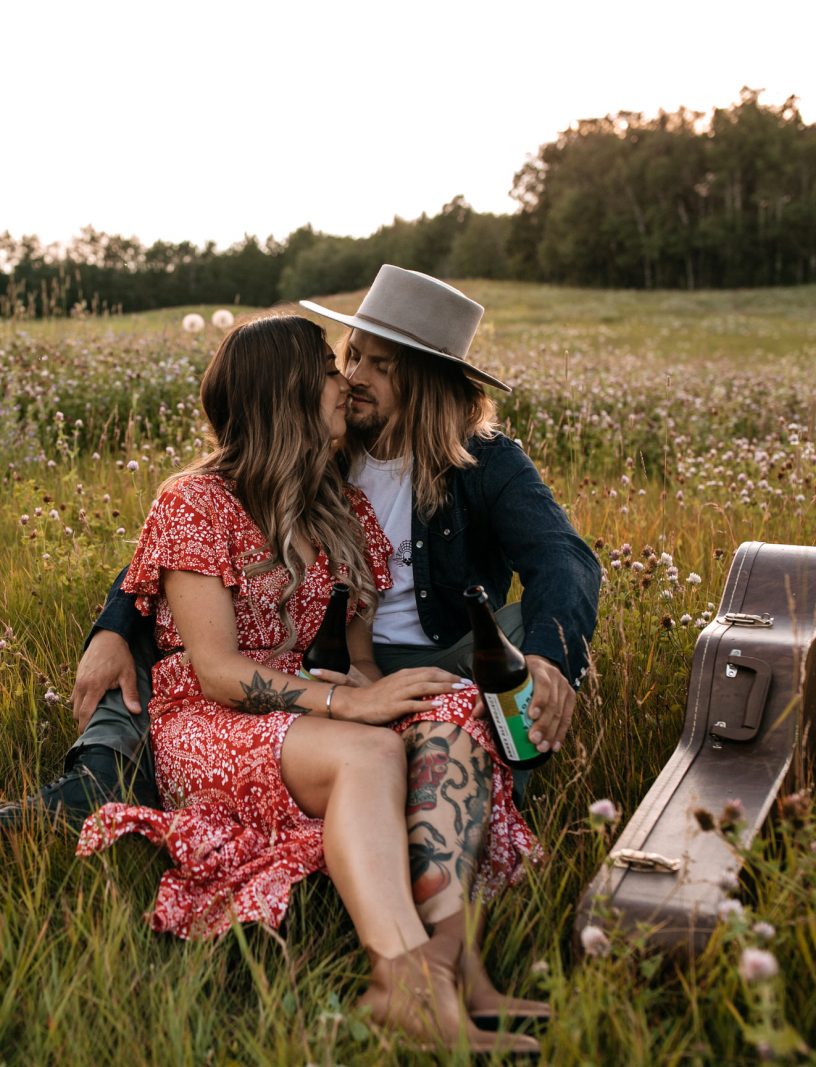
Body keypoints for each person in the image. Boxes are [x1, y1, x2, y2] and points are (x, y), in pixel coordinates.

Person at [70, 314, 540, 1051]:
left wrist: (382, 695)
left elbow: (358, 657)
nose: (343, 380)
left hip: (298, 714)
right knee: (371, 754)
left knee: (451, 709)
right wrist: (352, 707)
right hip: (206, 723)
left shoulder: (340, 507)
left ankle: (458, 967)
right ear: (285, 392)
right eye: (328, 367)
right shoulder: (194, 502)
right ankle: (401, 985)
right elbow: (219, 672)